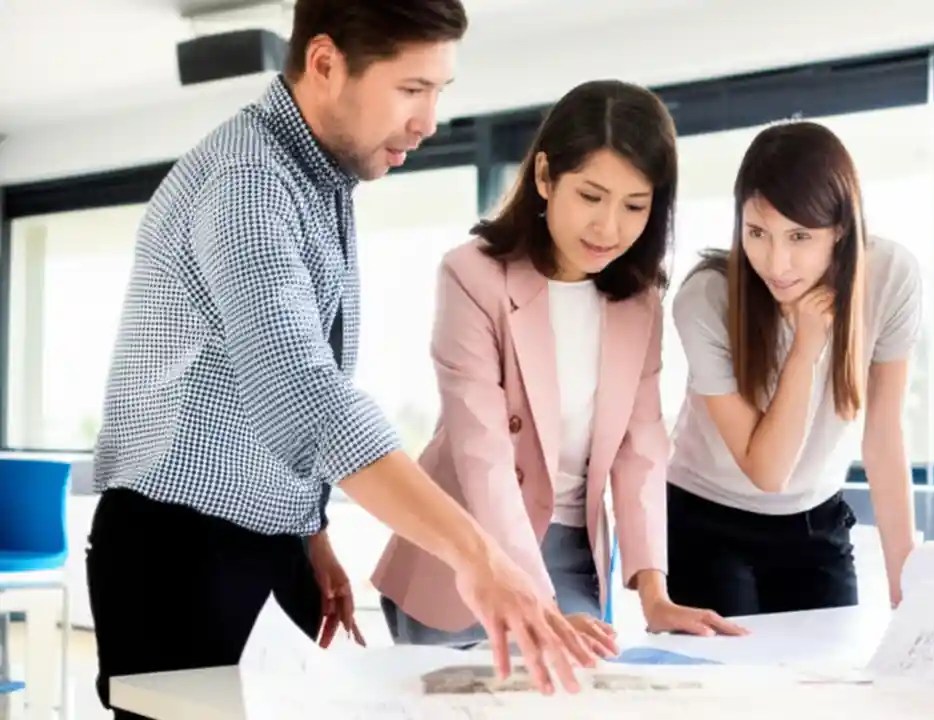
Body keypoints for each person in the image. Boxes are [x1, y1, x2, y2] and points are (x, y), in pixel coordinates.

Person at [86, 2, 594, 716]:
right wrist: (477, 557)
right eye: (411, 89)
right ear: (325, 64)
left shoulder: (319, 178)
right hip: (181, 553)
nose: (428, 121)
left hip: (267, 543)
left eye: (439, 93)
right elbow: (304, 393)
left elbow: (260, 386)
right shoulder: (248, 181)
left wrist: (307, 533)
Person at [373, 79, 746, 651]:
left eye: (635, 206)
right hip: (465, 555)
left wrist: (655, 594)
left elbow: (640, 448)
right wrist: (536, 606)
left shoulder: (639, 300)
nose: (609, 228)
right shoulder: (472, 277)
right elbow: (483, 454)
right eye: (591, 197)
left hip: (573, 552)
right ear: (546, 178)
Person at [664, 121, 922, 618]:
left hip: (816, 522)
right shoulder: (706, 299)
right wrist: (806, 347)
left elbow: (884, 435)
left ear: (842, 228)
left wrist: (904, 584)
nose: (776, 262)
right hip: (705, 521)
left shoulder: (891, 276)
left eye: (799, 236)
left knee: (824, 683)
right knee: (729, 685)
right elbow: (768, 470)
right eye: (757, 233)